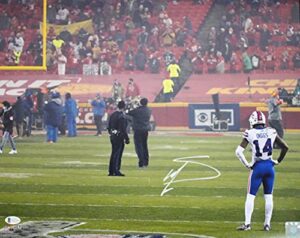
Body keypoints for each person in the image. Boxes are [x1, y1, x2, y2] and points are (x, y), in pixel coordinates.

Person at [235, 111, 288, 231]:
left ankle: (247, 224)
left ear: (252, 121)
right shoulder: (271, 131)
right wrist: (278, 161)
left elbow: (238, 152)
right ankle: (267, 224)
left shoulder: (250, 133)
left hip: (258, 167)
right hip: (269, 166)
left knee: (250, 196)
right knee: (268, 196)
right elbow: (285, 147)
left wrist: (247, 164)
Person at [107, 100, 130, 176]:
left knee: (113, 153)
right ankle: (116, 170)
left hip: (113, 136)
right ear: (124, 107)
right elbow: (123, 129)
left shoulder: (113, 115)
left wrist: (111, 133)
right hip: (119, 137)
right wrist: (126, 138)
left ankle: (111, 170)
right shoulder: (122, 116)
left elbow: (109, 126)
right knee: (118, 154)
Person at [127, 98, 151, 168]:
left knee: (139, 147)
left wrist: (134, 105)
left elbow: (129, 113)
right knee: (144, 146)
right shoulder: (149, 110)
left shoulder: (137, 110)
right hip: (145, 130)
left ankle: (141, 162)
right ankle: (146, 162)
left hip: (138, 130)